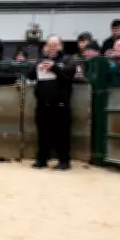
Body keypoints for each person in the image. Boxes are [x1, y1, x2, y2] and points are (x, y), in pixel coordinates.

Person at [28, 36, 76, 170]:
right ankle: (42, 159)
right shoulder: (41, 60)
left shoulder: (68, 60)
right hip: (43, 103)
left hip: (61, 104)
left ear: (61, 46)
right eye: (49, 44)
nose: (52, 47)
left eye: (55, 44)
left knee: (62, 133)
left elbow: (69, 75)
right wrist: (37, 66)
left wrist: (54, 68)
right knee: (43, 133)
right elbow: (30, 75)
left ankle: (64, 161)